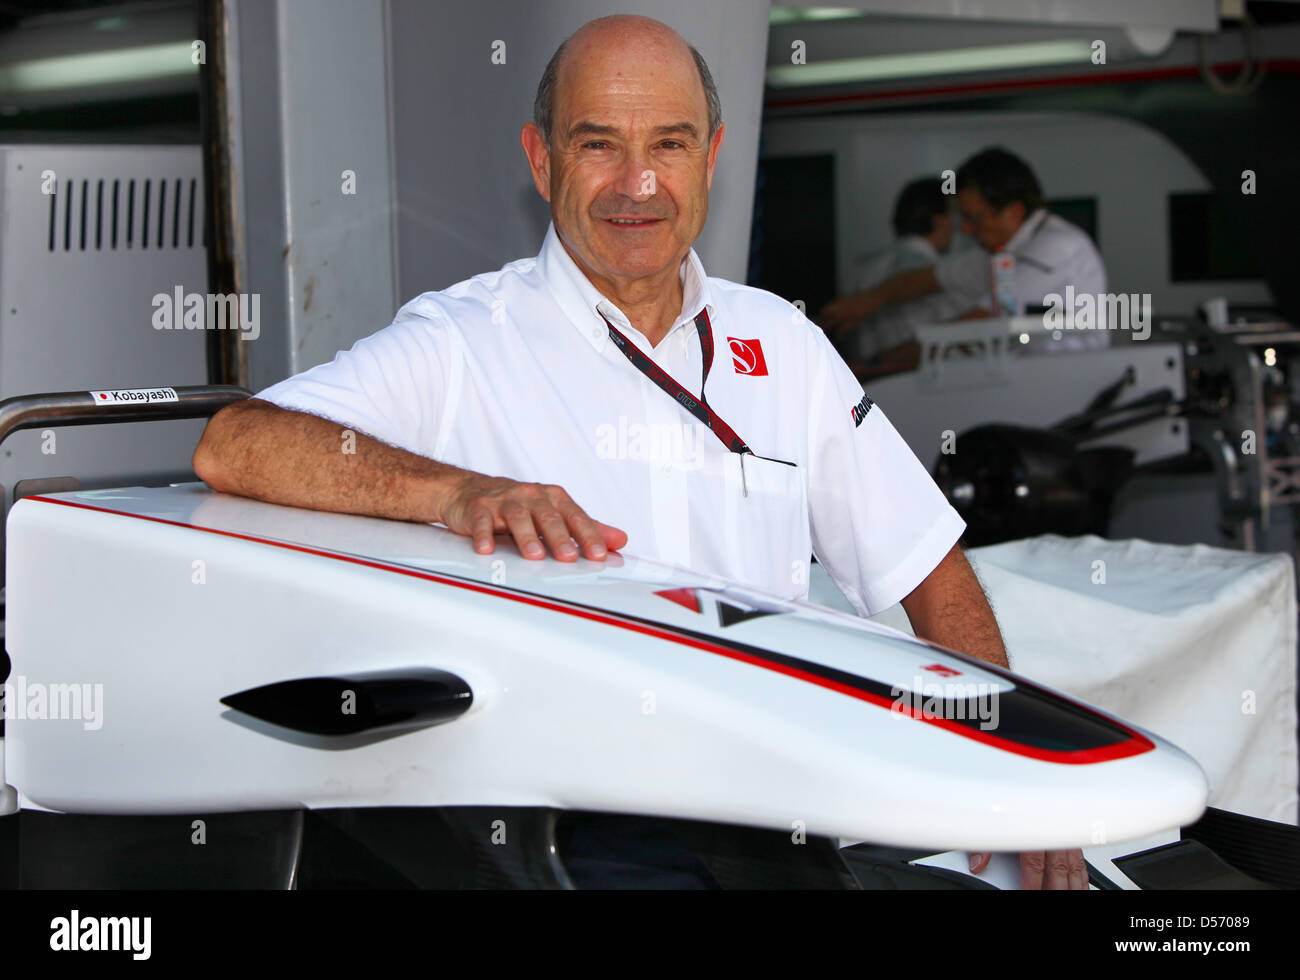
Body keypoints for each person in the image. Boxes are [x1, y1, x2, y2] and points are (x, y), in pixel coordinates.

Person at [192, 15, 1085, 890]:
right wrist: (458, 492)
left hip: (779, 813)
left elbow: (929, 569)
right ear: (541, 161)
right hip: (576, 829)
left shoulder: (782, 342)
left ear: (710, 157)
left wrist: (1007, 758)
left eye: (668, 144)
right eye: (597, 145)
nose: (637, 184)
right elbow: (238, 445)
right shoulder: (465, 340)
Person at [820, 147, 1107, 358]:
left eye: (974, 218)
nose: (966, 230)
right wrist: (869, 300)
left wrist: (881, 363)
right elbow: (930, 278)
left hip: (1071, 387)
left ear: (1014, 212)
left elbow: (983, 323)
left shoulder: (1056, 247)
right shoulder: (1003, 252)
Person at [844, 176, 967, 364]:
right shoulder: (933, 275)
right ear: (939, 220)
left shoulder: (863, 271)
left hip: (868, 383)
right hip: (921, 383)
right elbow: (956, 343)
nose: (958, 226)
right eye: (954, 216)